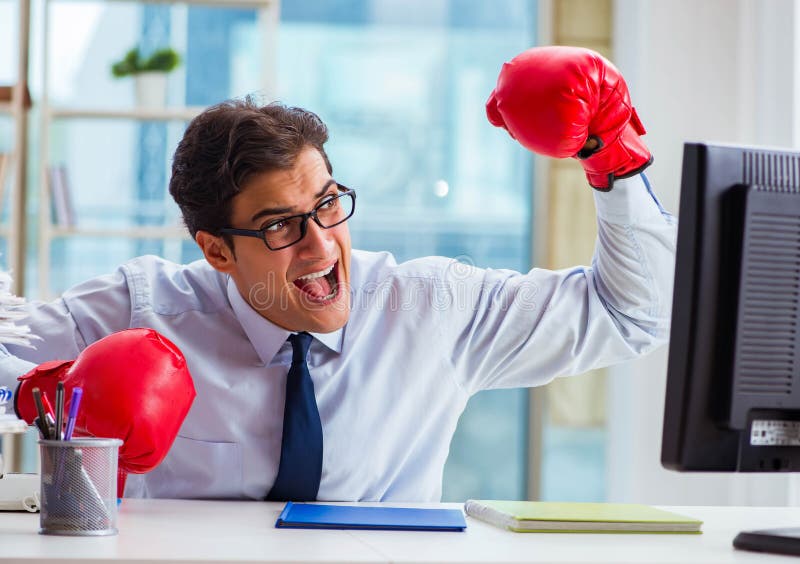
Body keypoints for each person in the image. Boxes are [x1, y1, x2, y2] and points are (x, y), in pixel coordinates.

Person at [0, 46, 676, 502]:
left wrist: (612, 157)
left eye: (326, 204)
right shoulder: (140, 310)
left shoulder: (428, 306)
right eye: (278, 225)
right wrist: (44, 392)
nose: (321, 246)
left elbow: (631, 314)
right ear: (216, 251)